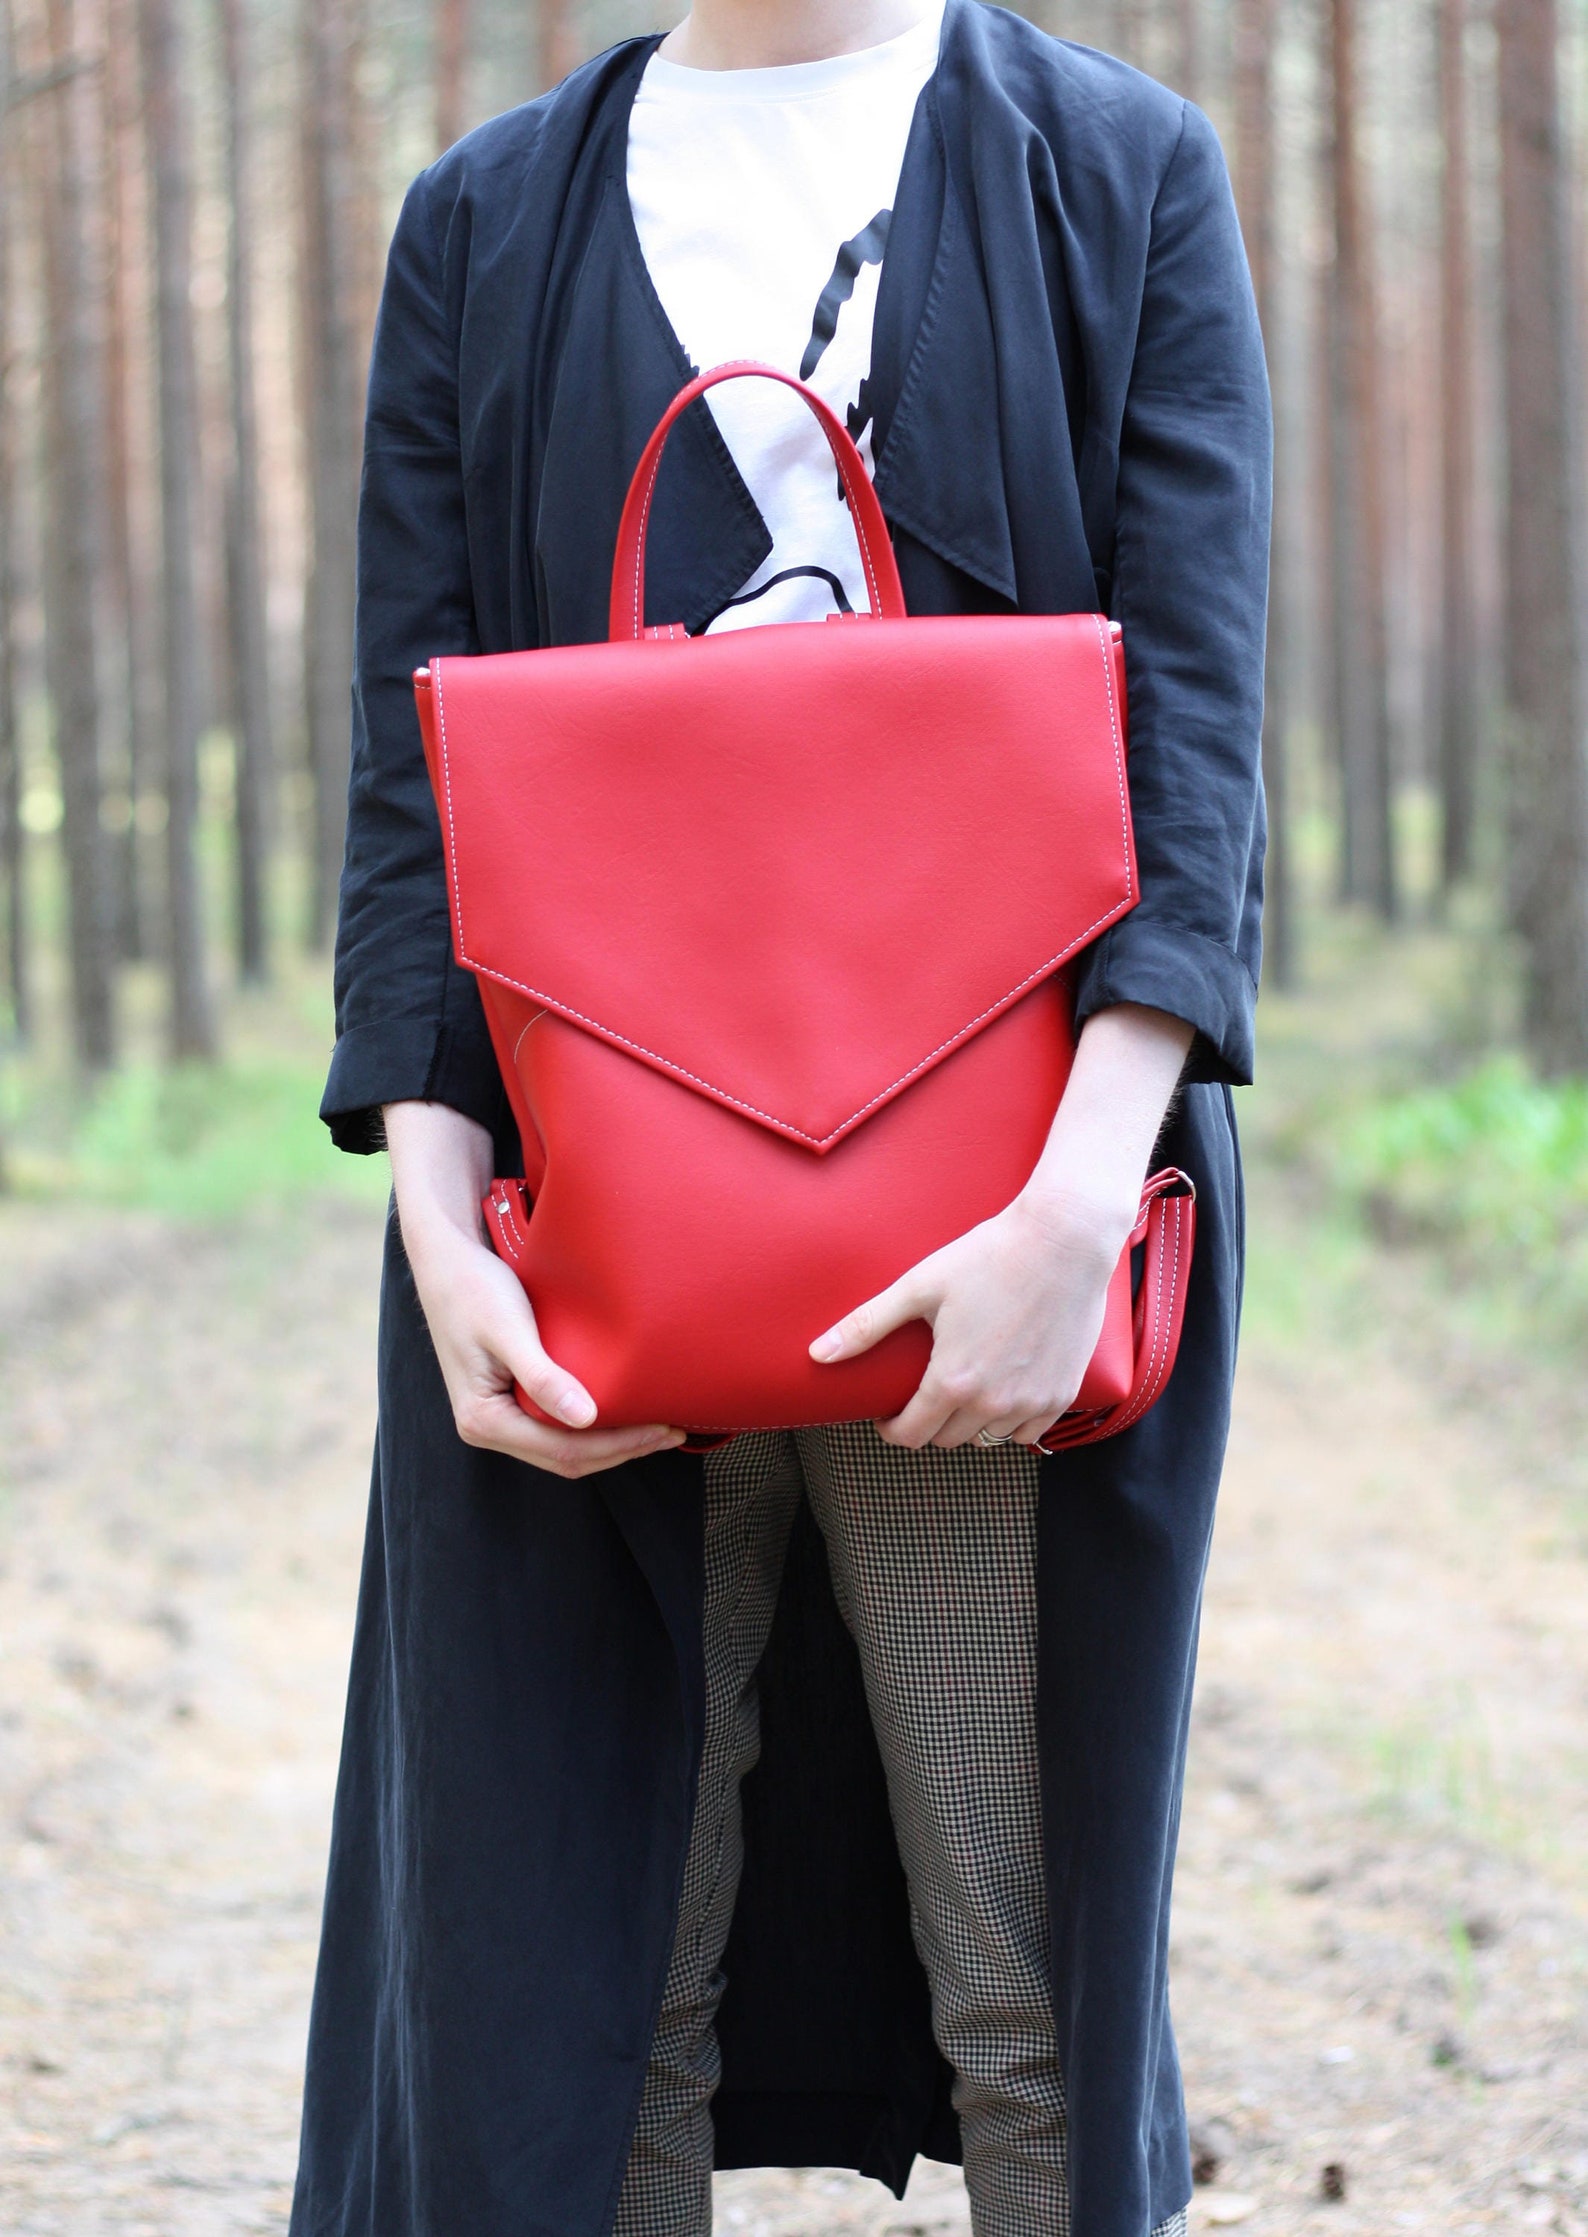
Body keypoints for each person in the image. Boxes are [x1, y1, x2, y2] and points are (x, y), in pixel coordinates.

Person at [289, 0, 1271, 2230]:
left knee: (1026, 1981)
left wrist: (1068, 1216)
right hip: (576, 1237)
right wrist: (442, 1242)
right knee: (585, 1988)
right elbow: (410, 784)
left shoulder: (1114, 170)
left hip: (1010, 1231)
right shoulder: (487, 218)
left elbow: (1191, 739)